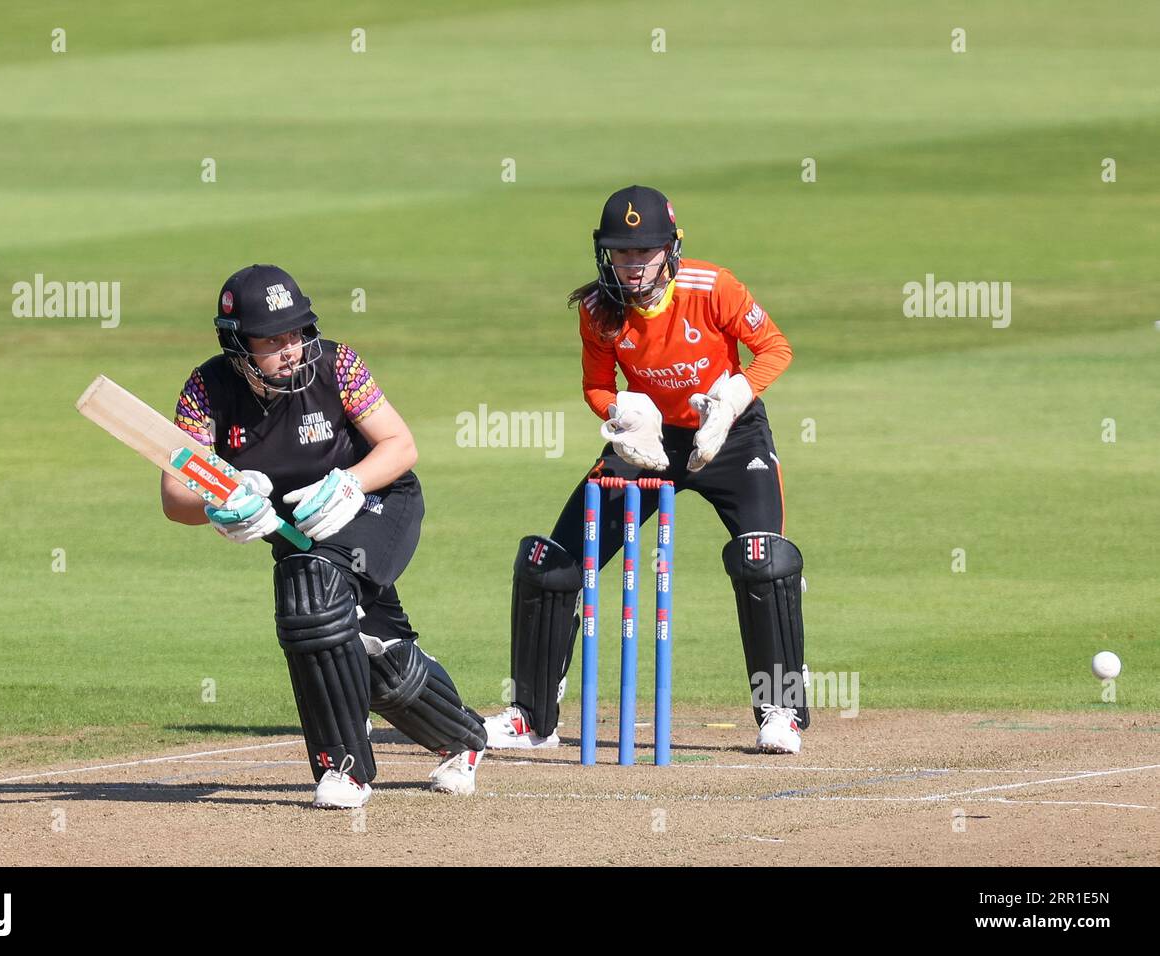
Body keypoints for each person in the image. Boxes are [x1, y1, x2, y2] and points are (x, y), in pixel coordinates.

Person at [484, 186, 812, 756]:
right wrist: (621, 414)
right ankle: (530, 718)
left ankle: (780, 710)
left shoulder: (714, 288)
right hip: (650, 440)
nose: (632, 264)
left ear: (670, 249)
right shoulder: (597, 310)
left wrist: (733, 399)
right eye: (621, 252)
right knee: (553, 563)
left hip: (729, 434)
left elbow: (775, 349)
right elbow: (596, 384)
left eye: (644, 252)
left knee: (764, 563)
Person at [164, 264, 487, 808]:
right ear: (238, 345)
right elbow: (176, 498)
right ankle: (463, 737)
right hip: (298, 529)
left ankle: (345, 769)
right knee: (369, 648)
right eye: (272, 340)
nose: (290, 350)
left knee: (310, 597)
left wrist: (350, 483)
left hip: (377, 503)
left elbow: (401, 446)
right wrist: (219, 506)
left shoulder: (338, 364)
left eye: (295, 333)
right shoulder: (205, 390)